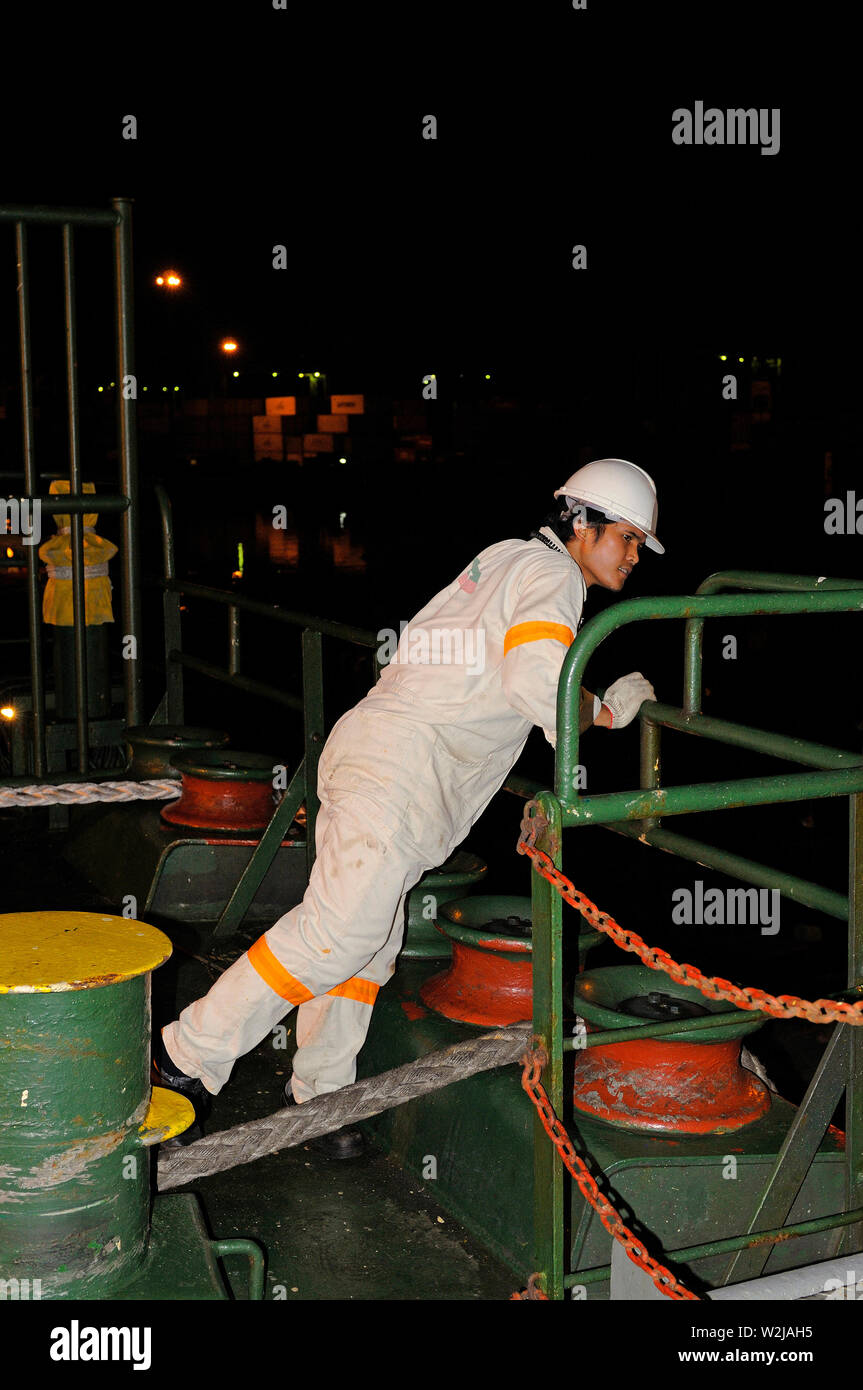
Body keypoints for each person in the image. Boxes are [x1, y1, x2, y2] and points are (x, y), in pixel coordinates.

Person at [154, 458, 662, 1155]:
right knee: (340, 935)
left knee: (367, 946)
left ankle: (320, 1097)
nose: (634, 556)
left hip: (379, 754)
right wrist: (603, 714)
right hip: (396, 770)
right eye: (627, 537)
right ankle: (185, 1058)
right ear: (579, 524)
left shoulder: (506, 559)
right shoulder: (553, 576)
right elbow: (536, 680)